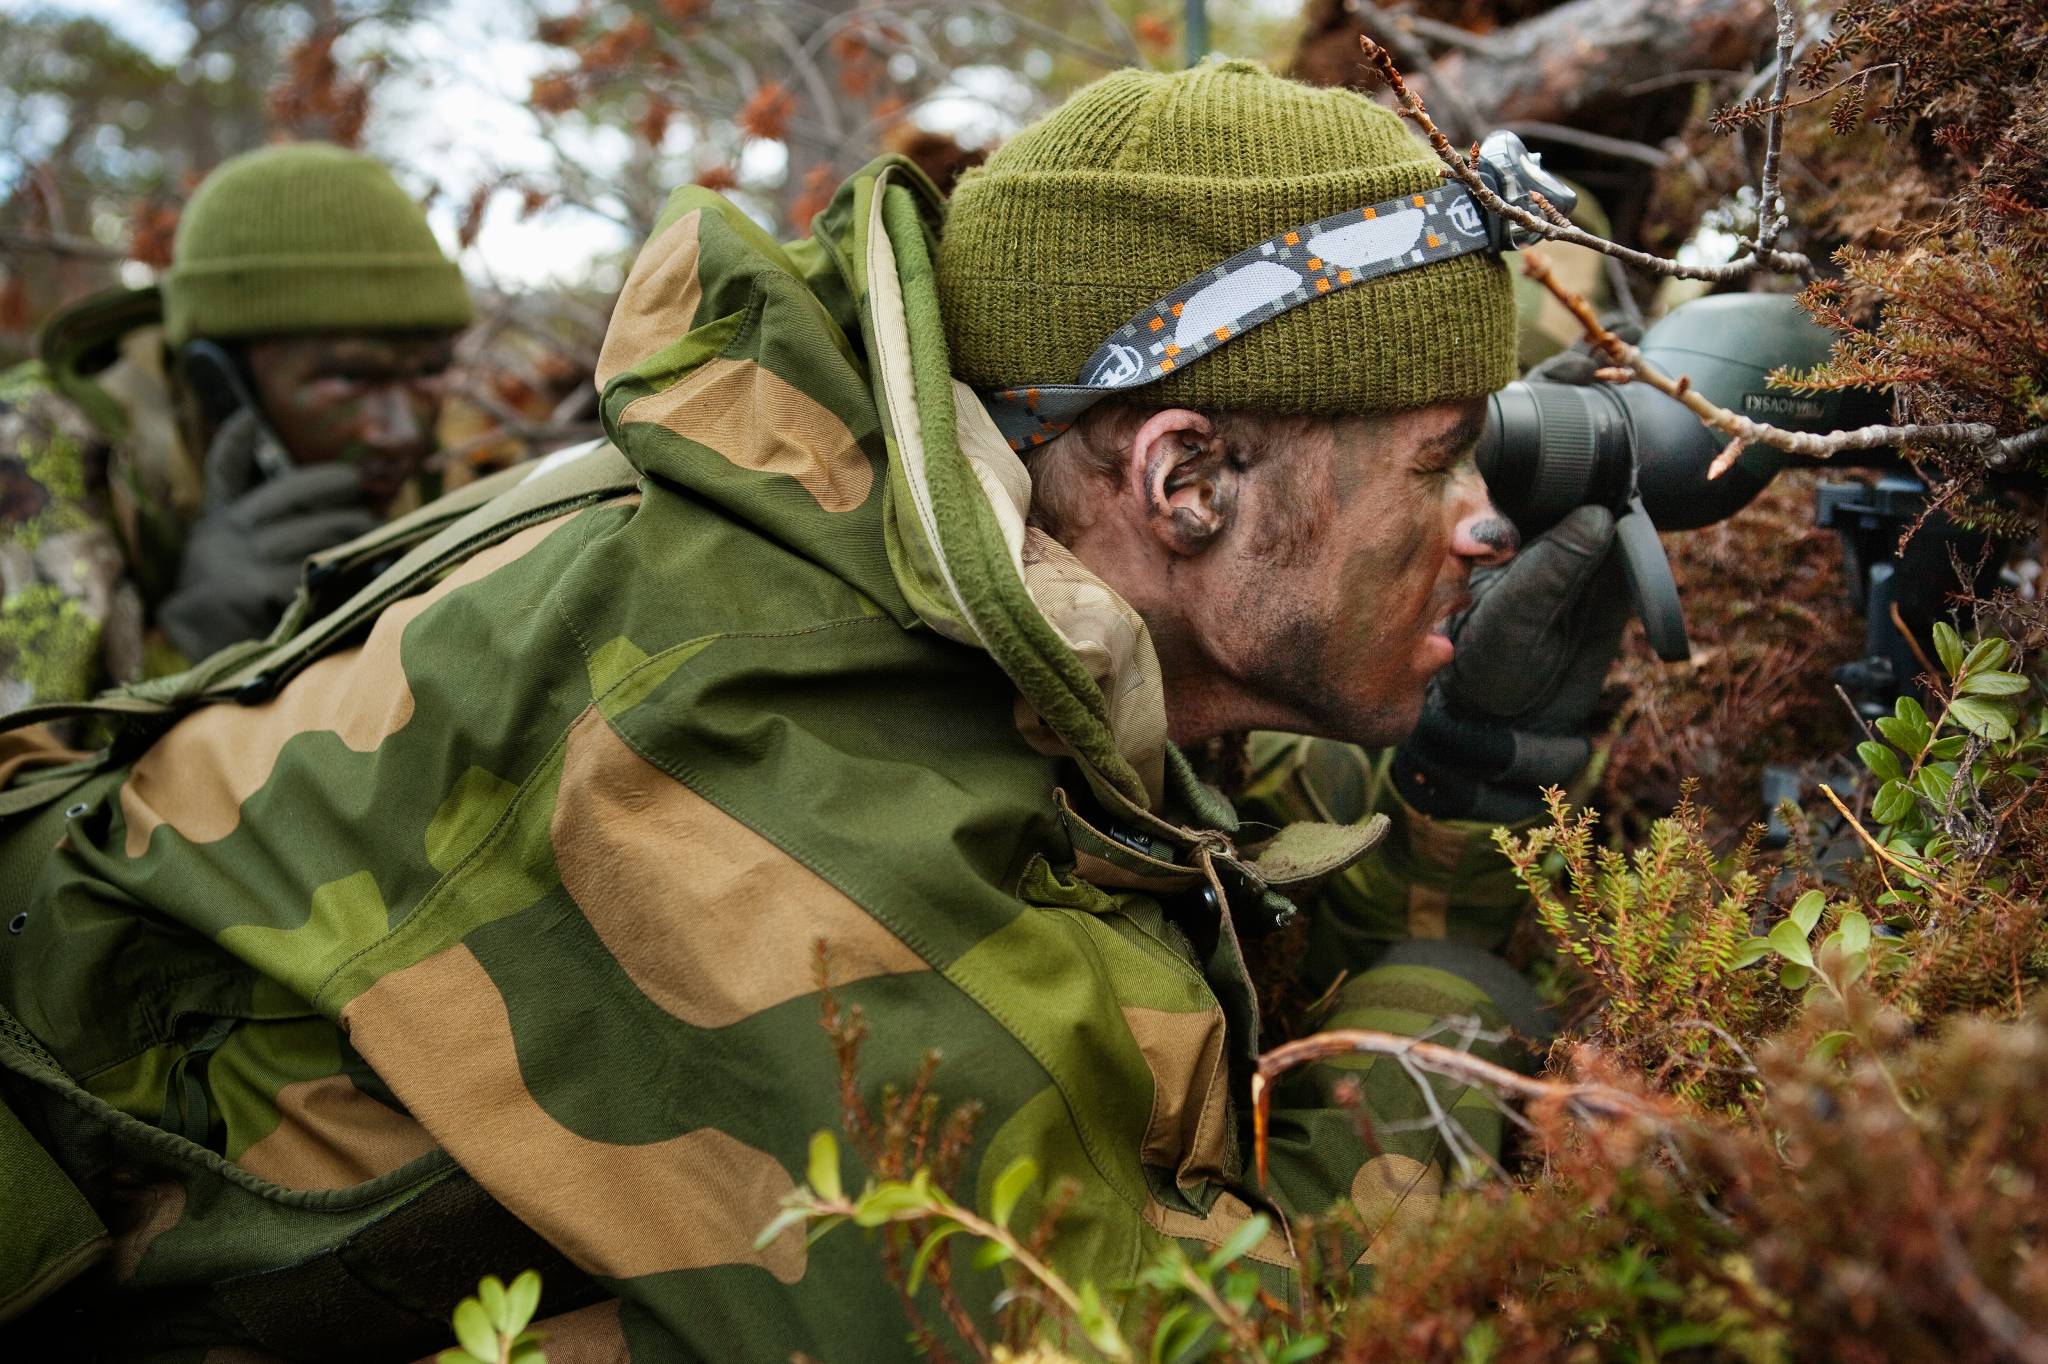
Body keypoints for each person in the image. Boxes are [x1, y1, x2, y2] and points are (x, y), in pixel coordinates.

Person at [0, 63, 1624, 1359]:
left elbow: (1212, 912)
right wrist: (1455, 986)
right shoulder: (758, 747)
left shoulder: (996, 590)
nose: (1486, 518)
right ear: (1184, 478)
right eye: (1440, 459)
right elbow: (1184, 1332)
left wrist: (1469, 776)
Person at [0, 142, 473, 724]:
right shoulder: (36, 448)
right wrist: (193, 646)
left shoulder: (422, 459)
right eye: (349, 378)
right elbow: (27, 772)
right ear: (217, 379)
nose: (401, 433)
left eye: (429, 371)